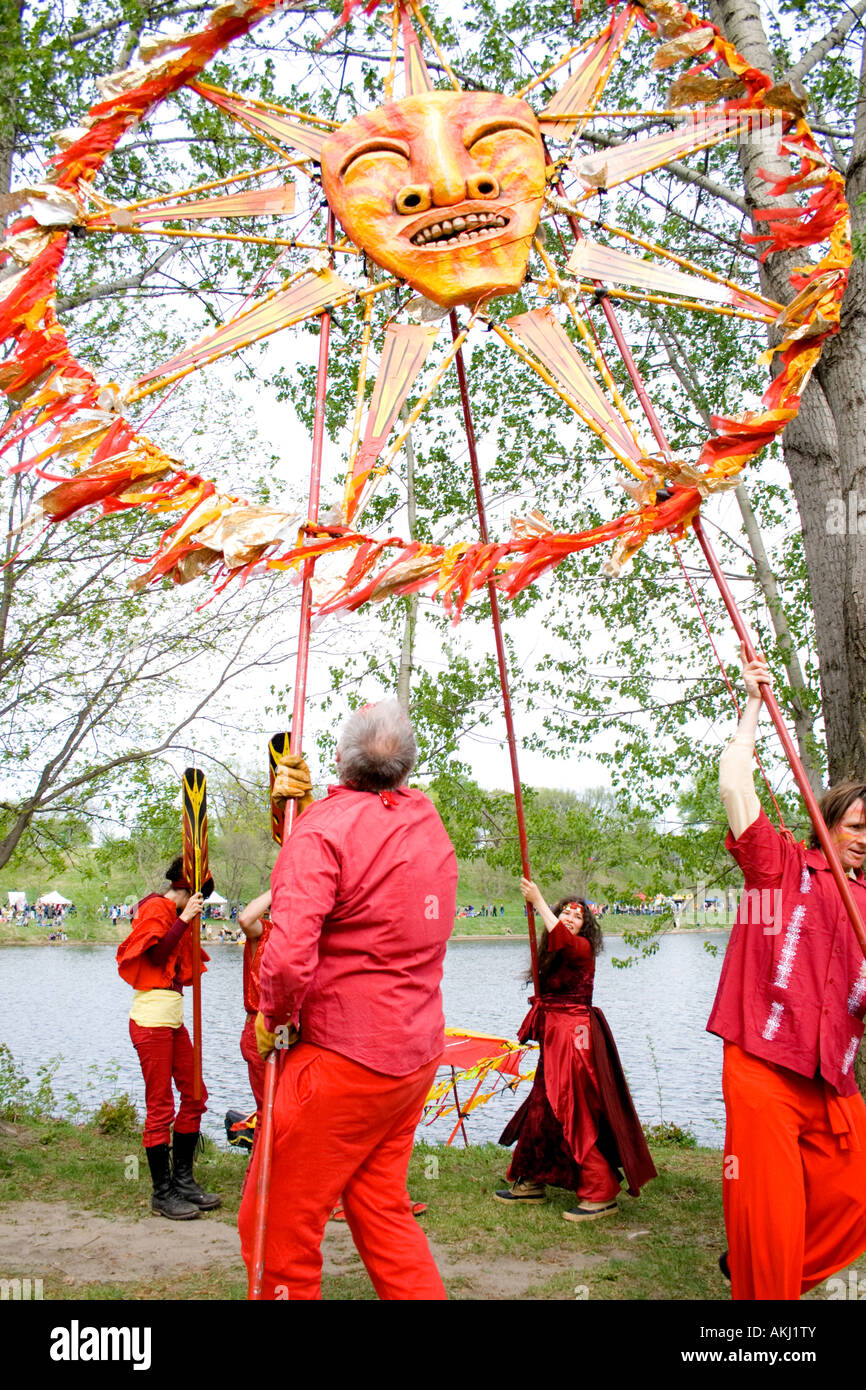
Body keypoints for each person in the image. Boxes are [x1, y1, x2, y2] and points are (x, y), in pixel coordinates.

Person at [237, 699, 457, 1300]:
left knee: (274, 1224)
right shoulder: (424, 818)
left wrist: (270, 1017)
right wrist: (302, 815)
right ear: (408, 767)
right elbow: (365, 852)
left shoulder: (324, 831)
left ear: (339, 757)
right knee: (381, 1209)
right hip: (412, 1055)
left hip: (345, 1059)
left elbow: (287, 955)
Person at [708, 645, 866, 1300]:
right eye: (858, 825)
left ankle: (760, 1270)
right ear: (828, 822)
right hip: (765, 1069)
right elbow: (733, 784)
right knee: (768, 1220)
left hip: (832, 1080)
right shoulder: (781, 867)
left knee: (856, 1195)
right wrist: (750, 705)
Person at [497, 878, 656, 1220]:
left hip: (574, 1038)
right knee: (543, 1105)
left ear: (586, 928)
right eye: (564, 912)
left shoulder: (580, 948)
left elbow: (564, 940)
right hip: (557, 1035)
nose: (570, 917)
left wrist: (539, 900)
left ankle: (601, 1190)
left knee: (573, 1109)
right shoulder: (555, 952)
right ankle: (532, 1181)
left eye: (578, 915)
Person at [116, 855, 221, 1221]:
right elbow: (157, 953)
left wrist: (187, 919)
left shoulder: (175, 913)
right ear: (186, 889)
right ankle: (162, 1194)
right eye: (198, 897)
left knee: (195, 1094)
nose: (200, 905)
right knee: (160, 1106)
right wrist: (186, 917)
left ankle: (184, 1181)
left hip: (172, 1019)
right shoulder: (157, 908)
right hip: (151, 1019)